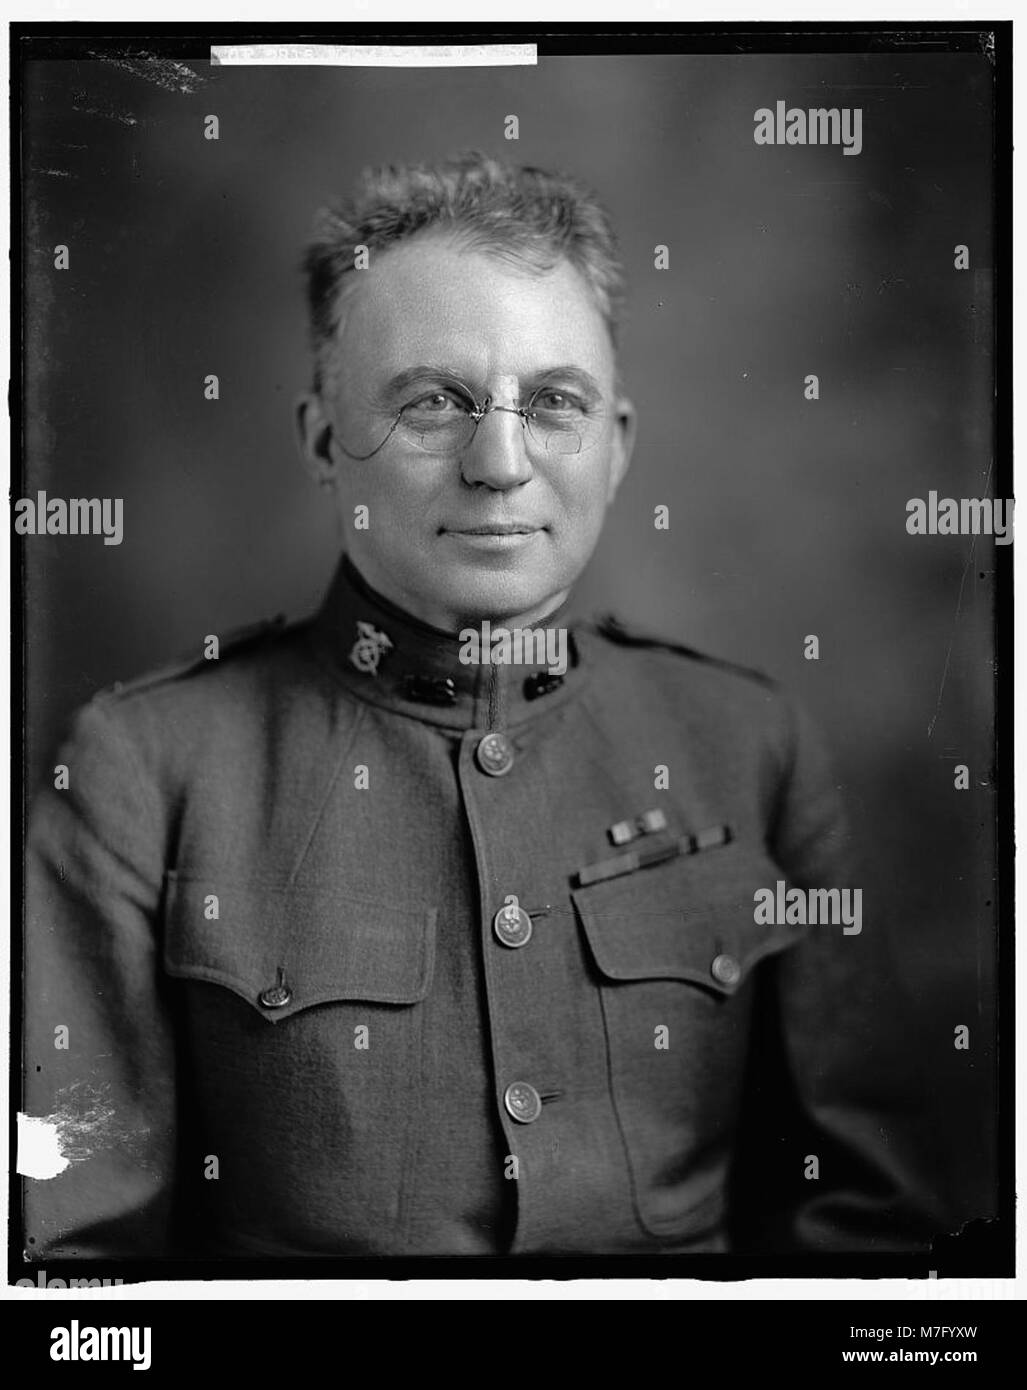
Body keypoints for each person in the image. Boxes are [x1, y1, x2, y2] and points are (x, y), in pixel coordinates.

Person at [23, 152, 931, 1261]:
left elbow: (872, 1236)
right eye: (433, 402)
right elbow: (72, 1281)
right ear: (320, 441)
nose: (500, 463)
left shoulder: (747, 746)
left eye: (553, 403)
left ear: (616, 445)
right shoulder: (141, 770)